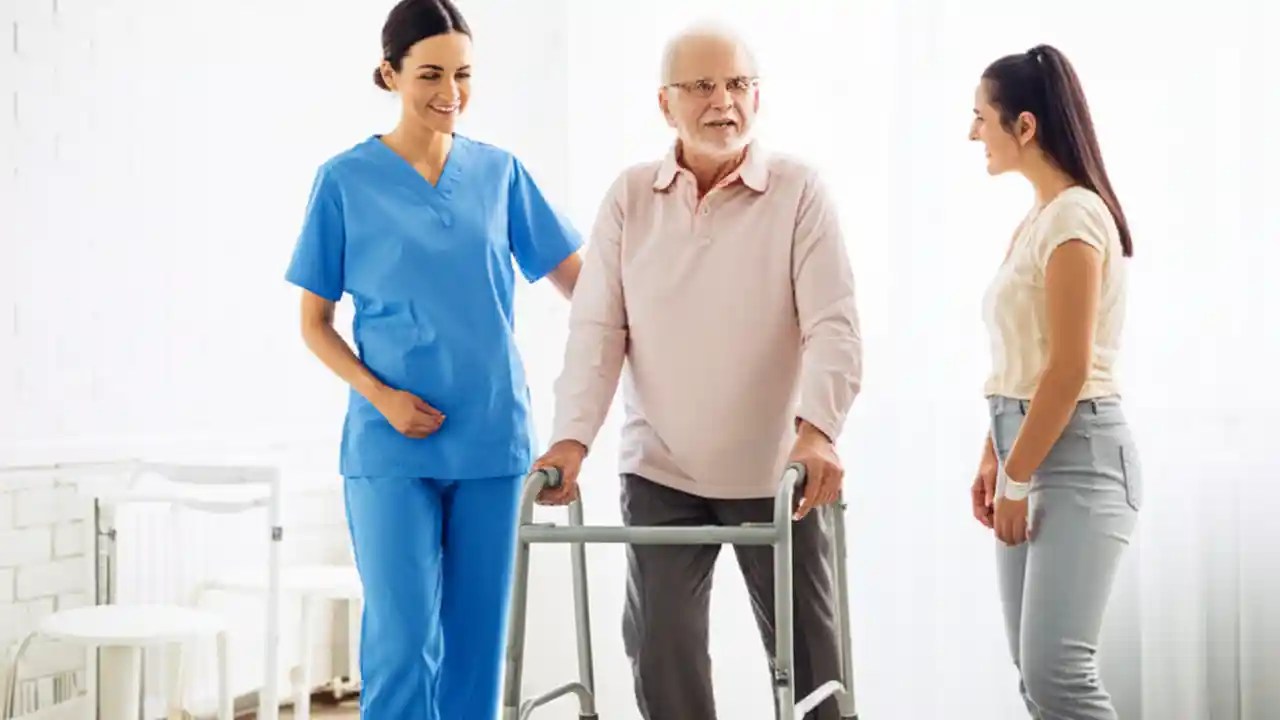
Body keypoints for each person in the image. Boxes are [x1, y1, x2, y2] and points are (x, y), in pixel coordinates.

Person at [532, 23, 862, 720]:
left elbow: (833, 323)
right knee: (661, 649)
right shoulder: (629, 197)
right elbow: (598, 329)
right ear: (665, 104)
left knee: (811, 667)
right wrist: (571, 439)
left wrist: (818, 430)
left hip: (779, 472)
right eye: (703, 87)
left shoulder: (800, 192)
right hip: (661, 468)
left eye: (740, 84)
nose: (725, 102)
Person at [283, 1, 583, 717]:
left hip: (492, 440)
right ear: (389, 74)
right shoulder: (343, 181)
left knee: (478, 645)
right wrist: (379, 394)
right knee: (402, 638)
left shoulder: (501, 174)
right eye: (430, 74)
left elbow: (588, 291)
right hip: (390, 445)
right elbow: (316, 324)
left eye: (463, 74)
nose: (451, 92)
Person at [968, 43, 1142, 719]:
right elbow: (1022, 359)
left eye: (981, 117)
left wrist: (1017, 474)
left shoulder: (1074, 217)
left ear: (1026, 125)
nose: (973, 132)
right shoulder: (1037, 220)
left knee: (1058, 675)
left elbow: (1068, 370)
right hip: (1029, 450)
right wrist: (995, 454)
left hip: (1080, 461)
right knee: (1036, 677)